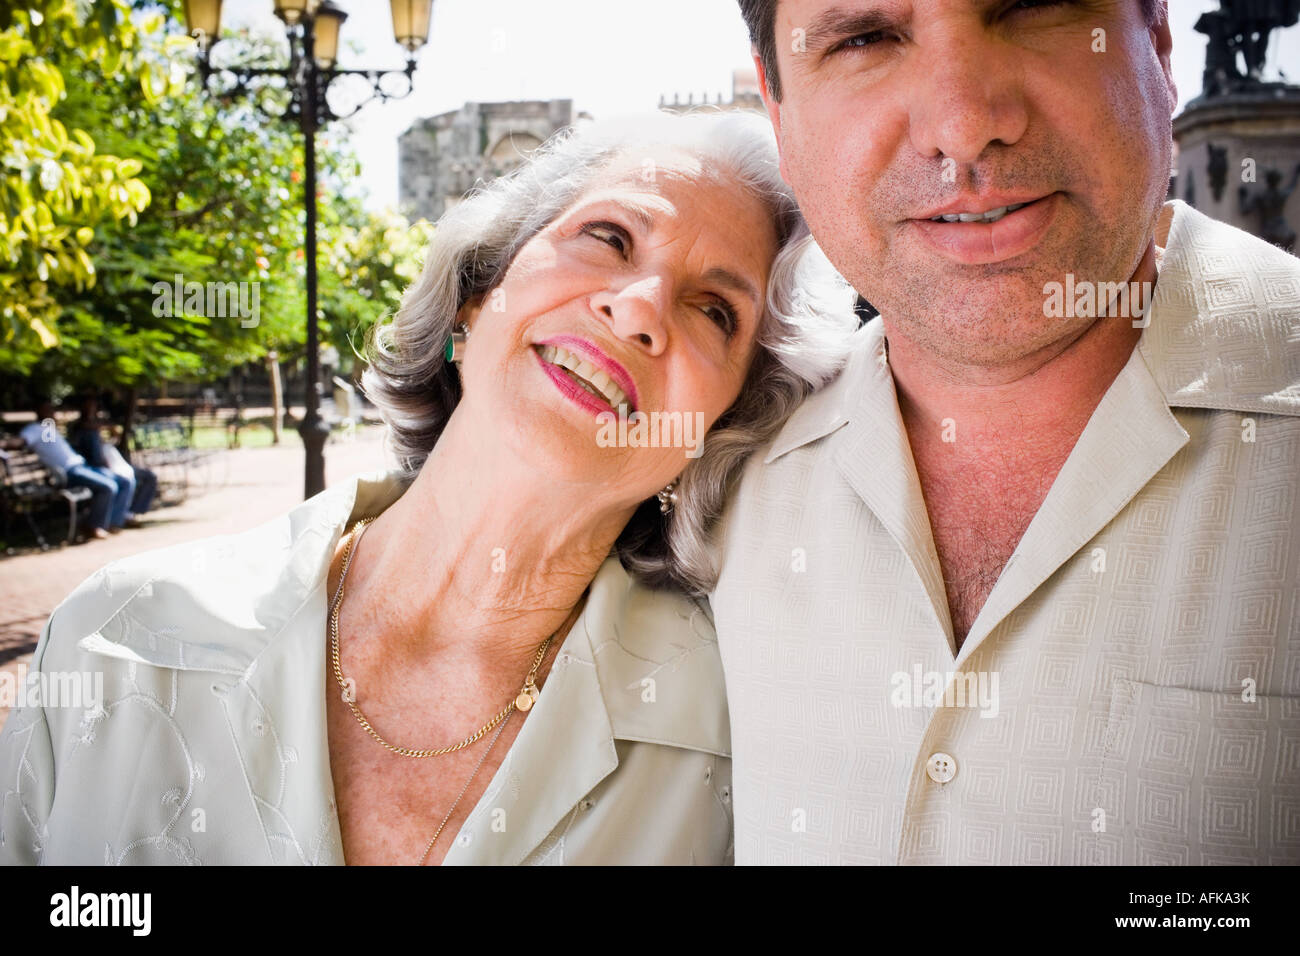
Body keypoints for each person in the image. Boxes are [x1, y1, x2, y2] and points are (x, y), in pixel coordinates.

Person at [0, 110, 858, 865]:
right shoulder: (120, 639)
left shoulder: (740, 737)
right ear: (477, 295)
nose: (638, 308)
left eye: (715, 311)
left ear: (722, 428)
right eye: (608, 238)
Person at [715, 0, 1300, 863]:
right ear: (778, 110)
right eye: (866, 39)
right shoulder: (715, 481)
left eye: (1034, 7)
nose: (963, 126)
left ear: (1160, 40)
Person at [16, 400, 132, 540]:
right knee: (108, 486)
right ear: (39, 411)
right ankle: (93, 526)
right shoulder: (34, 429)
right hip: (69, 472)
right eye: (47, 409)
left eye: (52, 409)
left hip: (81, 466)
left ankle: (113, 522)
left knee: (124, 481)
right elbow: (19, 441)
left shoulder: (48, 428)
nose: (51, 412)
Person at [68, 394, 157, 528]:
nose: (91, 408)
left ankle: (130, 513)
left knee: (149, 476)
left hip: (114, 463)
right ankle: (115, 520)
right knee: (124, 481)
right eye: (88, 405)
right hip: (98, 467)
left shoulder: (98, 425)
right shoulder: (82, 428)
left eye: (93, 405)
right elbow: (93, 456)